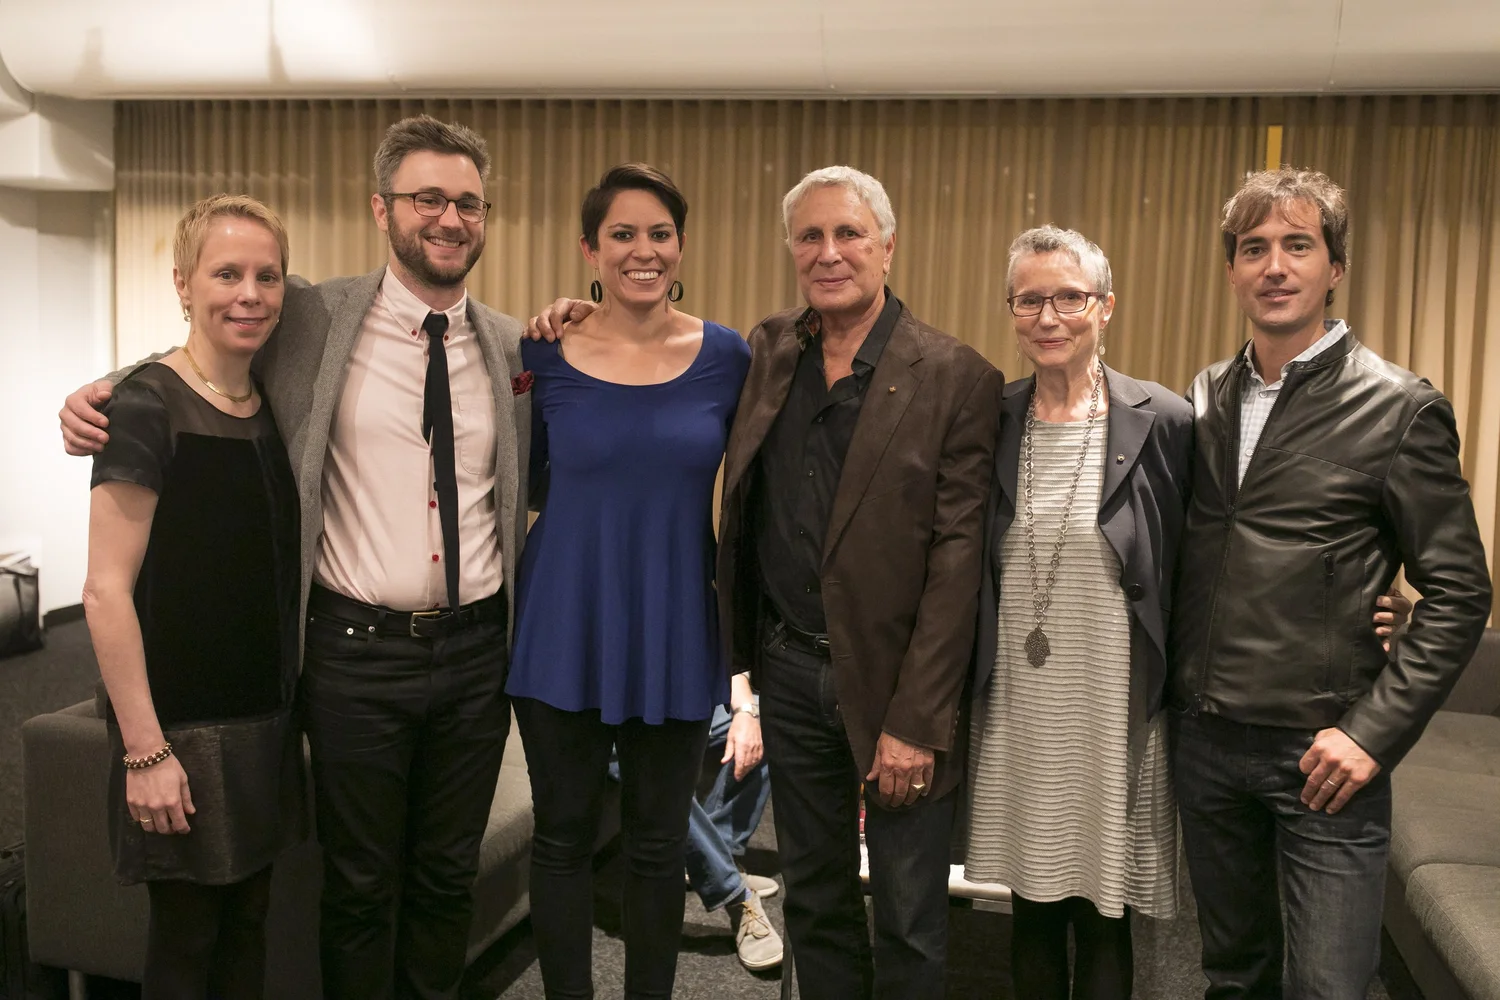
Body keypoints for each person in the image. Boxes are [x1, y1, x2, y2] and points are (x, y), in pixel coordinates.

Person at [60, 115, 529, 1000]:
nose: (450, 217)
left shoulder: (509, 346)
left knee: (444, 881)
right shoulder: (316, 315)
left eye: (468, 202)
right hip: (355, 654)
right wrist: (107, 391)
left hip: (476, 656)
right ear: (382, 208)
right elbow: (202, 349)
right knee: (356, 887)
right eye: (427, 197)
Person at [1170, 167, 1493, 1000]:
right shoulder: (1204, 396)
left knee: (1330, 988)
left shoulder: (1399, 408)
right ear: (1233, 270)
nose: (1274, 266)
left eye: (1297, 245)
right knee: (1232, 976)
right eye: (1254, 249)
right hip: (1205, 743)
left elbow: (1460, 590)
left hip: (1324, 753)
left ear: (1333, 267)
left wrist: (1372, 734)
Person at [717, 166, 1001, 1000]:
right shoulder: (769, 350)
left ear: (887, 245)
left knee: (911, 918)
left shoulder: (956, 376)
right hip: (791, 670)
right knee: (816, 901)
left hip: (894, 684)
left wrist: (917, 720)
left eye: (848, 234)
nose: (829, 252)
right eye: (810, 236)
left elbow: (959, 561)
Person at [504, 163, 753, 999]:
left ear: (681, 246)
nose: (642, 251)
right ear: (590, 248)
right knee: (564, 839)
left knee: (655, 846)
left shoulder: (728, 358)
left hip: (676, 622)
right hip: (563, 622)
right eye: (622, 234)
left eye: (659, 234)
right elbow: (516, 472)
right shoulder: (542, 349)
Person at [82, 194, 304, 998]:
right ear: (183, 284)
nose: (249, 293)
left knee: (248, 932)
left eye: (267, 276)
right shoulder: (144, 404)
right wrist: (146, 752)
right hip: (176, 731)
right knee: (186, 948)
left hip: (261, 721)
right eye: (227, 273)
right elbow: (105, 591)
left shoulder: (266, 402)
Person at [965, 225, 1187, 1000]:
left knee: (1104, 910)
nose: (1048, 315)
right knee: (1029, 904)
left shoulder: (1162, 419)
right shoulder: (991, 418)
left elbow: (1202, 556)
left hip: (1112, 703)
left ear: (1105, 307)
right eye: (1030, 299)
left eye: (1069, 296)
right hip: (1021, 706)